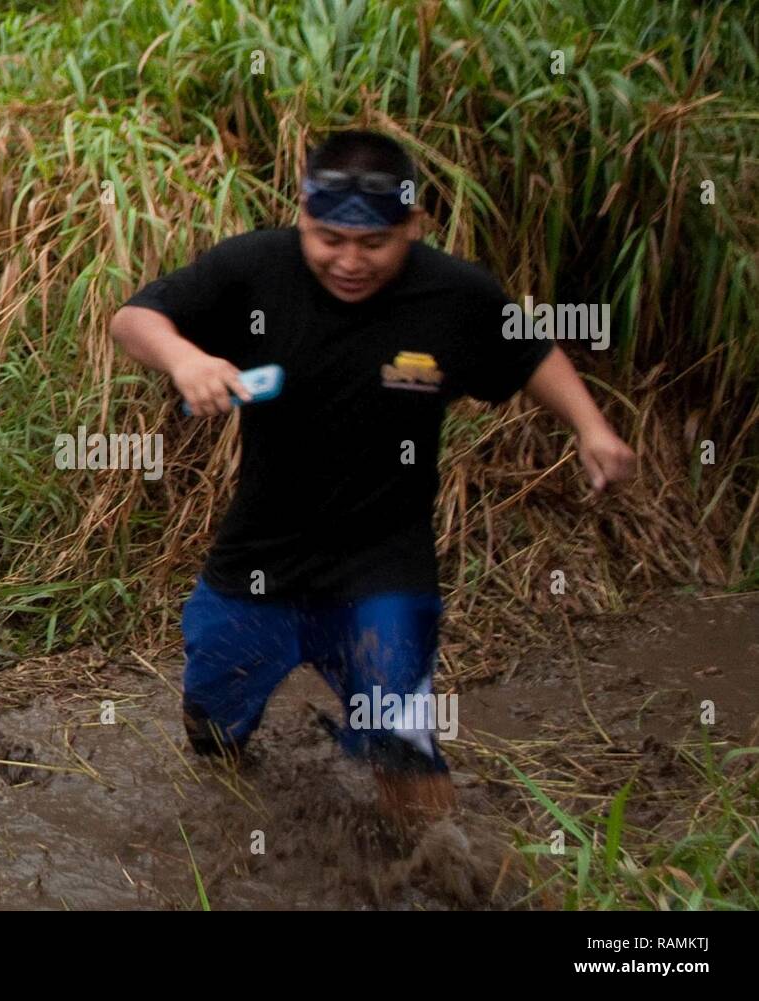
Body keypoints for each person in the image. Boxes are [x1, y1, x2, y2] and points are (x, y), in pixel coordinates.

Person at [109, 129, 636, 828]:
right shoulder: (255, 268)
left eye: (374, 243)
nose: (349, 261)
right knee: (212, 727)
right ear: (301, 212)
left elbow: (532, 351)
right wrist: (182, 359)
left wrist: (591, 427)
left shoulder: (456, 295)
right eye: (328, 238)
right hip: (259, 558)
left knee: (404, 740)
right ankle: (228, 809)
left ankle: (437, 869)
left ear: (414, 225)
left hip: (385, 563)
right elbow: (133, 318)